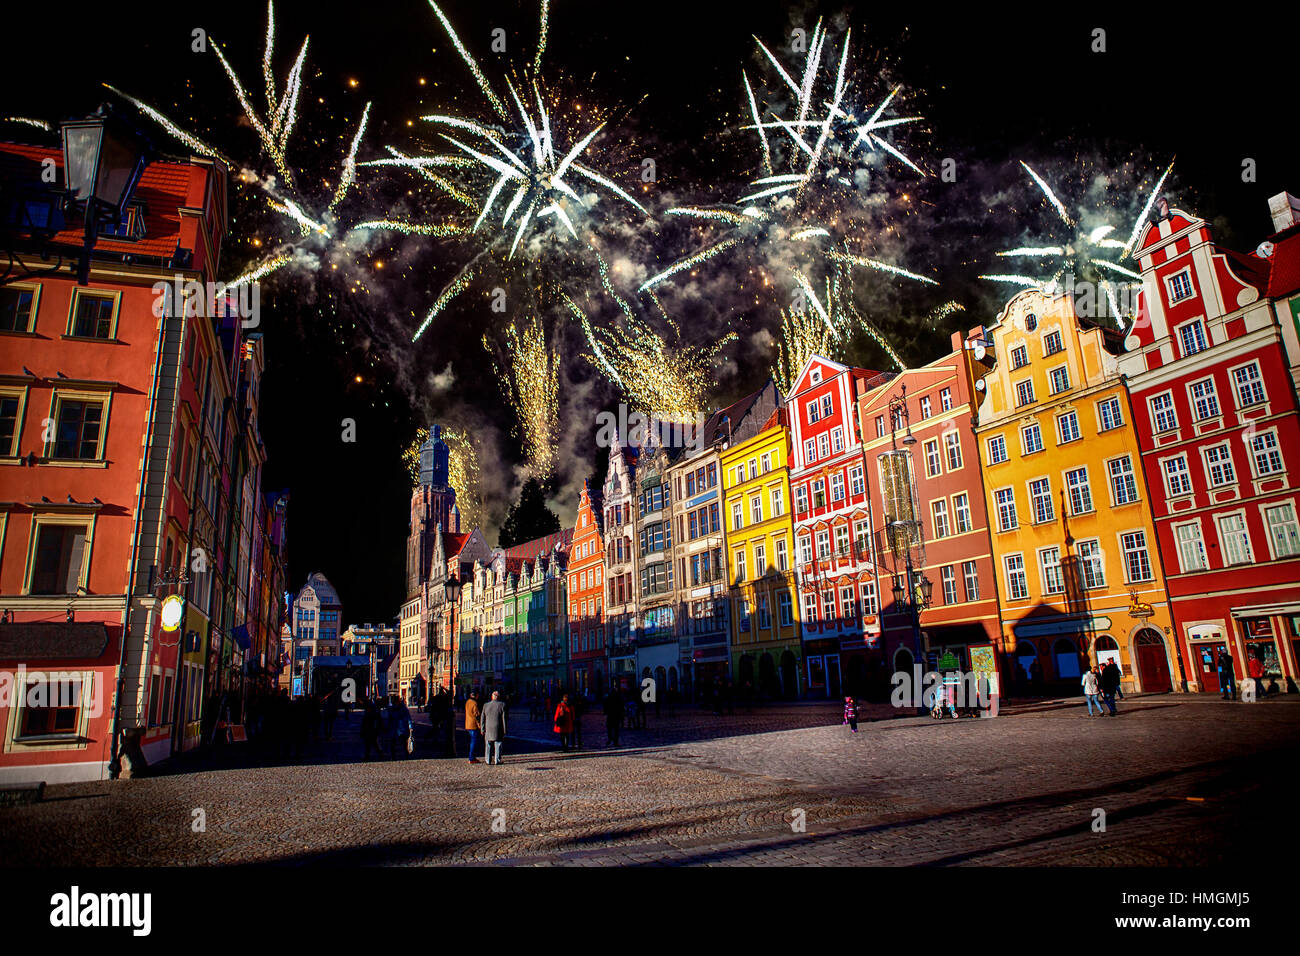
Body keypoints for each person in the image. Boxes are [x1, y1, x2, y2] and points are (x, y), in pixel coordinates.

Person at [481, 690, 508, 765]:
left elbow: (482, 718)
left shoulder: (485, 705)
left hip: (488, 728)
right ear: (498, 697)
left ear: (492, 697)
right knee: (498, 744)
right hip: (498, 728)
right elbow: (504, 719)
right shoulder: (502, 705)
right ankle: (497, 760)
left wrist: (482, 729)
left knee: (488, 744)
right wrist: (505, 730)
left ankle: (488, 760)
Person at [465, 692, 482, 763]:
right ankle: (471, 758)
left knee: (472, 741)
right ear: (476, 696)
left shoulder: (467, 702)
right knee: (473, 742)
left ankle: (472, 757)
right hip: (473, 725)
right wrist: (480, 725)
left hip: (468, 724)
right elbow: (477, 715)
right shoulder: (474, 703)